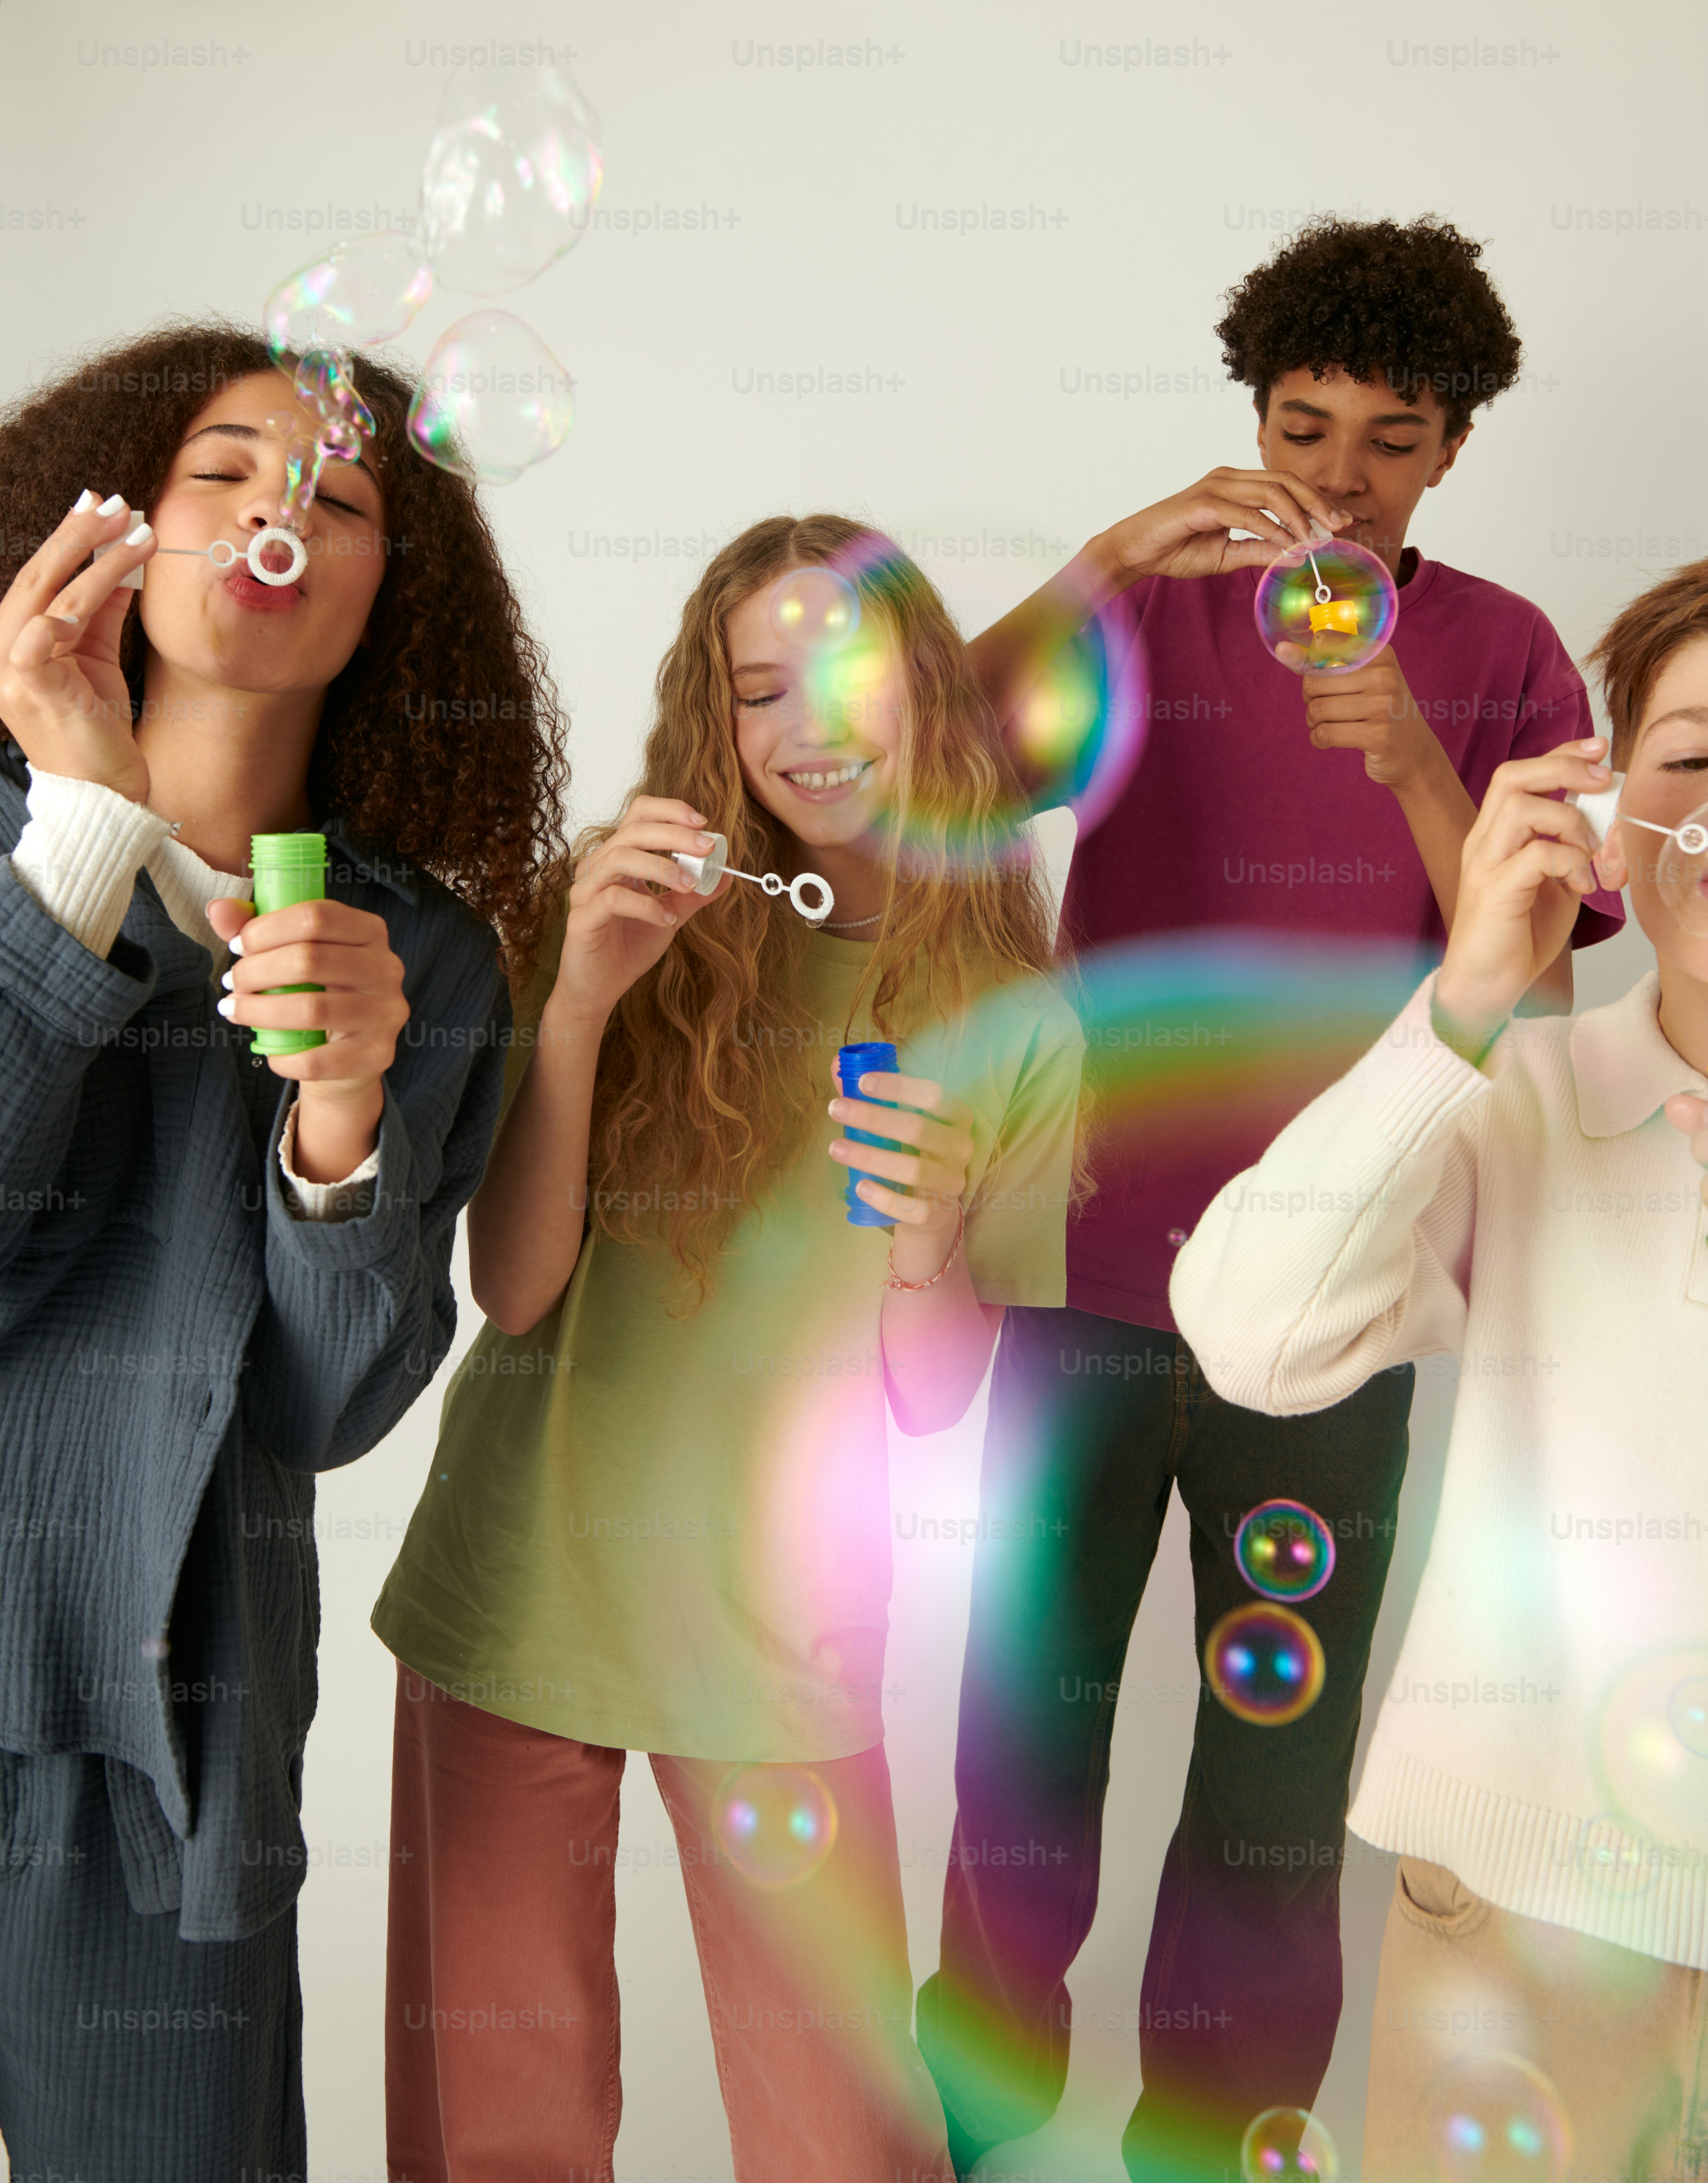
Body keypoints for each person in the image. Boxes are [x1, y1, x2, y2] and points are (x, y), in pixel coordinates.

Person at [916, 215, 1626, 2179]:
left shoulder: (1499, 655)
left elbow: (1543, 984)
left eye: (1386, 440)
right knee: (1017, 1764)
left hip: (1343, 1297)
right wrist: (1103, 561)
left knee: (1271, 1788)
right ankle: (973, 2136)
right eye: (1301, 427)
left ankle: (1207, 2152)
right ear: (1254, 417)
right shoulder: (1144, 615)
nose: (1332, 477)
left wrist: (1413, 763)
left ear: (1450, 449)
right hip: (1077, 1266)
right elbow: (932, 775)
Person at [370, 517, 1088, 2183]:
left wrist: (924, 1242)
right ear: (716, 718)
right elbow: (516, 1286)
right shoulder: (614, 919)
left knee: (840, 2138)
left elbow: (931, 1402)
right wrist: (579, 1007)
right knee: (498, 2132)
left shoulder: (1017, 1017)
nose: (804, 726)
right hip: (519, 1589)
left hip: (785, 1644)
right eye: (758, 689)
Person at [0, 324, 568, 2181]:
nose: (277, 513)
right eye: (222, 473)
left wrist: (340, 1113)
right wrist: (79, 843)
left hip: (178, 1728)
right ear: (111, 535)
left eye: (336, 496)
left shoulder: (428, 958)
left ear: (394, 599)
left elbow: (327, 1410)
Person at [1171, 564, 1708, 2179]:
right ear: (1607, 823)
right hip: (1522, 1929)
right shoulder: (1520, 1096)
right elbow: (1254, 1332)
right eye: (1696, 757)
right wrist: (1467, 996)